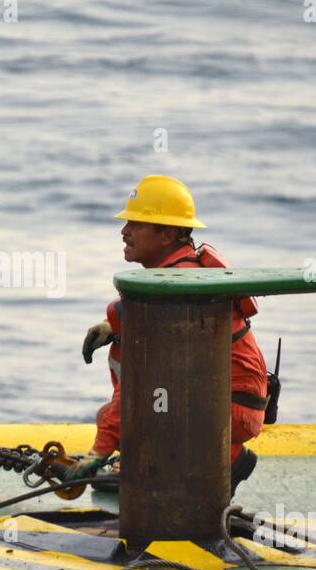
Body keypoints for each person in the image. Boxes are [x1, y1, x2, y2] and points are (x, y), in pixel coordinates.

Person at [68, 176, 269, 493]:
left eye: (137, 224)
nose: (124, 232)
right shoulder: (184, 273)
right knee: (114, 409)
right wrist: (114, 327)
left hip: (228, 407)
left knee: (143, 403)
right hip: (232, 402)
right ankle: (212, 457)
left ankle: (225, 459)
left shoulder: (175, 293)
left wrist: (100, 450)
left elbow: (140, 383)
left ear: (169, 234)